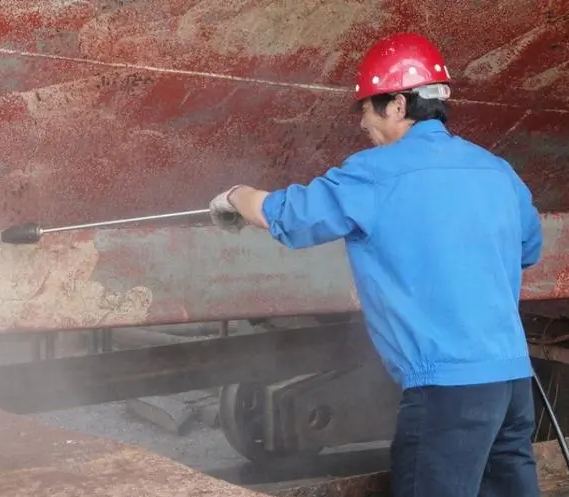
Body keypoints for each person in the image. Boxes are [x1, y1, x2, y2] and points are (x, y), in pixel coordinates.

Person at [208, 32, 544, 497]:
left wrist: (234, 197)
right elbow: (528, 249)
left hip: (445, 390)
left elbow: (292, 217)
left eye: (366, 107)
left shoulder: (375, 173)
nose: (362, 121)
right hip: (511, 384)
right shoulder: (496, 170)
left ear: (398, 105)